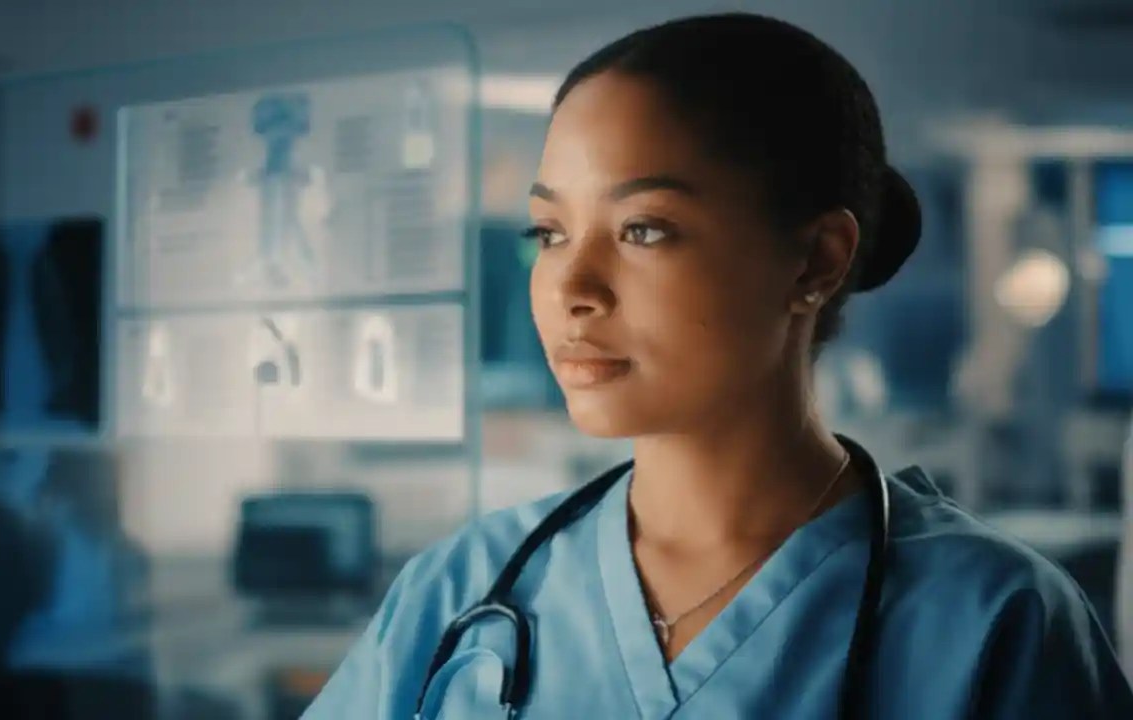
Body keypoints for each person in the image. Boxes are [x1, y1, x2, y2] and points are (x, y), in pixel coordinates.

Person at [302, 13, 1133, 718]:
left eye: (644, 229)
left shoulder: (996, 620)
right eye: (549, 233)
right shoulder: (460, 589)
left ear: (815, 262)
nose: (573, 289)